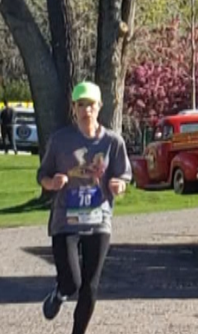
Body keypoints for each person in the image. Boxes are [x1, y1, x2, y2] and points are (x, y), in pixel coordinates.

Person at [37, 81, 132, 334]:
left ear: (99, 106)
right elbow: (42, 175)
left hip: (98, 219)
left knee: (90, 286)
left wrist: (119, 186)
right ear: (74, 108)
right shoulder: (60, 140)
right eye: (81, 105)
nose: (86, 110)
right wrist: (53, 183)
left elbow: (124, 176)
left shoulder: (113, 142)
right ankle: (60, 293)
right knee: (72, 282)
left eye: (90, 105)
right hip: (65, 221)